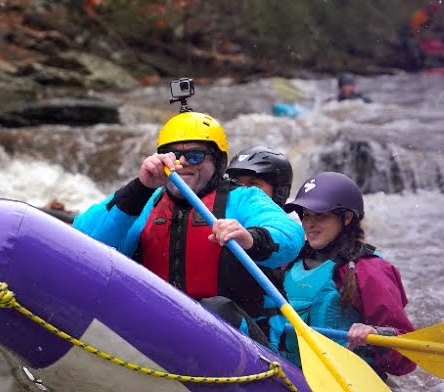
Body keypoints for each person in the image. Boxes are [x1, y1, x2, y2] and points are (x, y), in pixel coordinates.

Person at [73, 111, 304, 345]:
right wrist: (140, 187)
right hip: (163, 335)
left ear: (217, 162)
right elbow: (83, 244)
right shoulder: (146, 203)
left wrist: (251, 239)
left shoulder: (243, 199)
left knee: (217, 309)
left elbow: (289, 234)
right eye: (172, 156)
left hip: (243, 337)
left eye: (195, 156)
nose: (182, 163)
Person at [267, 171, 416, 391]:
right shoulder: (288, 262)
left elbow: (406, 356)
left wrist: (376, 334)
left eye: (320, 215)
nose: (309, 224)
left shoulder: (369, 271)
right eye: (305, 215)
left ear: (346, 218)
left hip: (345, 388)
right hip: (291, 378)